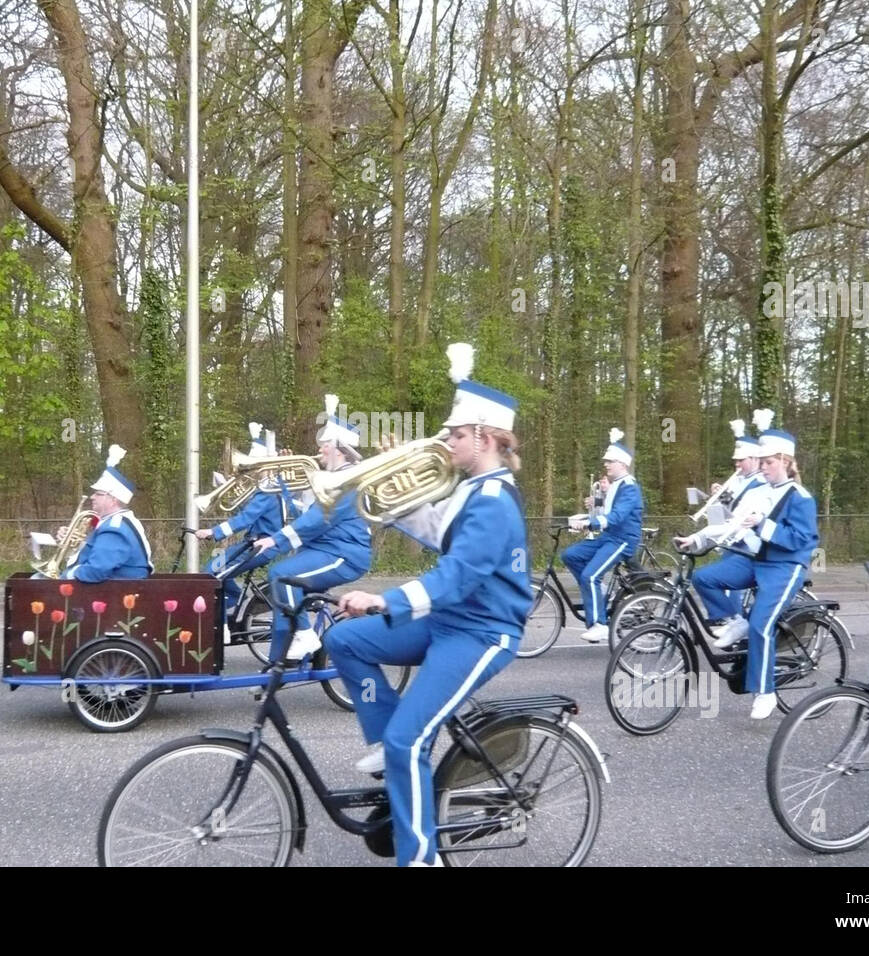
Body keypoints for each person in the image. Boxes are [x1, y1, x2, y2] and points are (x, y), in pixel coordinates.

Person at [323, 342, 530, 867]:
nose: (447, 441)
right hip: (448, 621)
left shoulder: (493, 502)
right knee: (342, 639)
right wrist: (388, 502)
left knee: (408, 743)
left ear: (483, 438)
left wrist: (381, 600)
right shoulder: (468, 489)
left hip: (482, 633)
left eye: (456, 434)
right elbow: (438, 531)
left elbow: (453, 579)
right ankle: (386, 742)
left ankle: (419, 858)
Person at [680, 420, 818, 719]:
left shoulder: (801, 497)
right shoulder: (760, 492)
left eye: (768, 462)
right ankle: (736, 619)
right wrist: (697, 538)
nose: (763, 467)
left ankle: (765, 692)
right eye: (763, 462)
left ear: (784, 461)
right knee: (707, 577)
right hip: (757, 560)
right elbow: (730, 523)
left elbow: (799, 539)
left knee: (761, 626)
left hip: (786, 565)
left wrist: (763, 524)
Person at [251, 394, 371, 661]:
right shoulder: (329, 478)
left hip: (344, 554)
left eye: (326, 443)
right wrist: (282, 483)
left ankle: (305, 635)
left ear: (340, 448)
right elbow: (303, 514)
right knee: (283, 599)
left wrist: (275, 541)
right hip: (325, 548)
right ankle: (276, 670)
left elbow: (317, 520)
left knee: (281, 576)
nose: (321, 448)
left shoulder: (347, 480)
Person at [677, 411, 771, 643]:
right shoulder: (742, 480)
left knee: (724, 583)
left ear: (755, 459)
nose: (737, 464)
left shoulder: (759, 483)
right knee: (715, 579)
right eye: (736, 460)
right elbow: (732, 512)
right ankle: (732, 622)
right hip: (736, 539)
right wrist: (721, 498)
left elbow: (739, 517)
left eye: (741, 460)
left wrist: (700, 536)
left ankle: (734, 622)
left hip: (749, 545)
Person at [197, 424, 295, 628]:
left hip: (259, 545)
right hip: (261, 543)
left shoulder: (267, 490)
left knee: (211, 574)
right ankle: (231, 598)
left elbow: (245, 519)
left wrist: (213, 532)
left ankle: (219, 626)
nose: (248, 472)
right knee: (215, 570)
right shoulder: (277, 486)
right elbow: (252, 511)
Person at [562, 428, 643, 643]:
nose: (606, 464)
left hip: (622, 540)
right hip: (608, 537)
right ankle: (598, 590)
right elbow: (607, 510)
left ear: (623, 464)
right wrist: (590, 511)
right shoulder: (616, 486)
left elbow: (617, 516)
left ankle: (600, 624)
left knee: (590, 575)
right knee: (570, 556)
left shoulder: (629, 487)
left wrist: (590, 523)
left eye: (610, 461)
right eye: (606, 461)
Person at [58, 445, 153, 582]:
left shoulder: (115, 528)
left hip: (113, 593)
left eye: (98, 494)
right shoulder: (116, 523)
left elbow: (95, 571)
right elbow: (99, 554)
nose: (92, 497)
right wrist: (71, 542)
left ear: (113, 500)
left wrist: (65, 576)